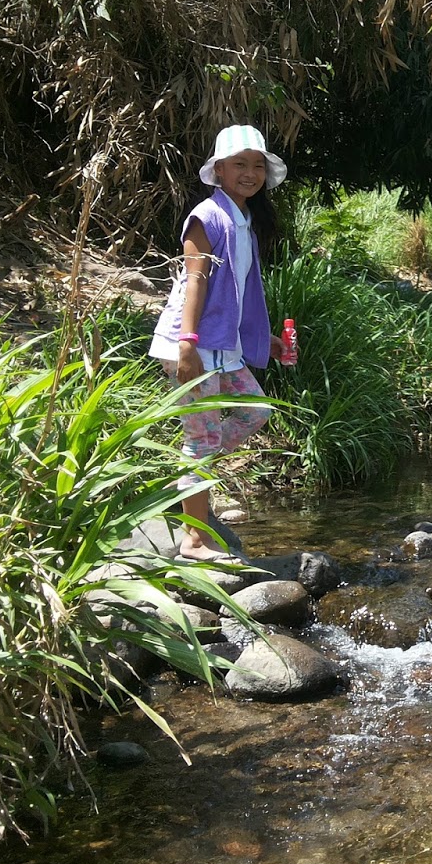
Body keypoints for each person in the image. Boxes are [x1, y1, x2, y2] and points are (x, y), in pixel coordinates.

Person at [149, 125, 287, 560]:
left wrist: (263, 340)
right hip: (192, 343)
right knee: (202, 442)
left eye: (257, 165)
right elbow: (196, 282)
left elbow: (236, 295)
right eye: (240, 164)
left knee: (256, 410)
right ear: (220, 170)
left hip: (221, 345)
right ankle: (194, 539)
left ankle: (189, 475)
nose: (250, 173)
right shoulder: (206, 217)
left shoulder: (241, 220)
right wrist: (187, 344)